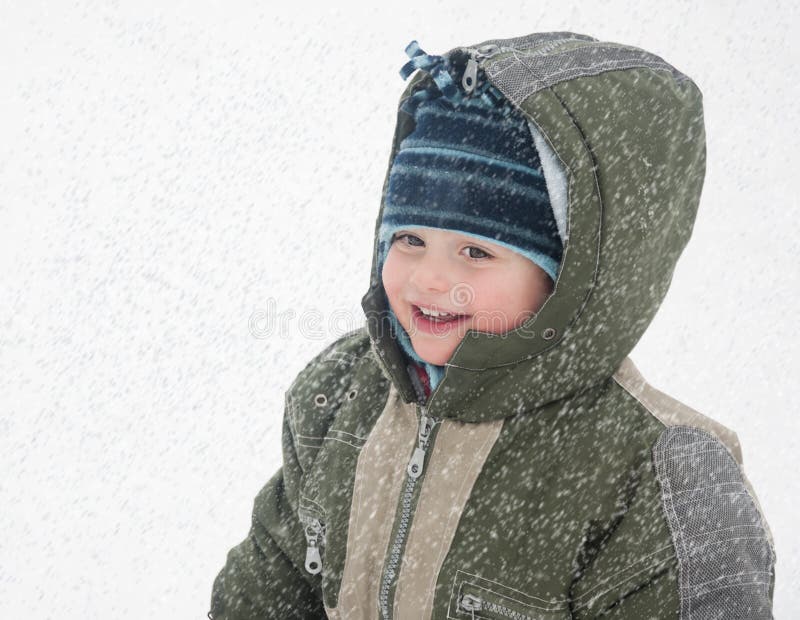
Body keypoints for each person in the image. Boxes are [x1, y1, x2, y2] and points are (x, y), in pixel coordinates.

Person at [209, 31, 777, 619]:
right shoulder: (342, 394)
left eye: (476, 252)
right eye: (409, 239)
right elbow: (268, 587)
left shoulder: (657, 476)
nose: (429, 279)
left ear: (573, 275)